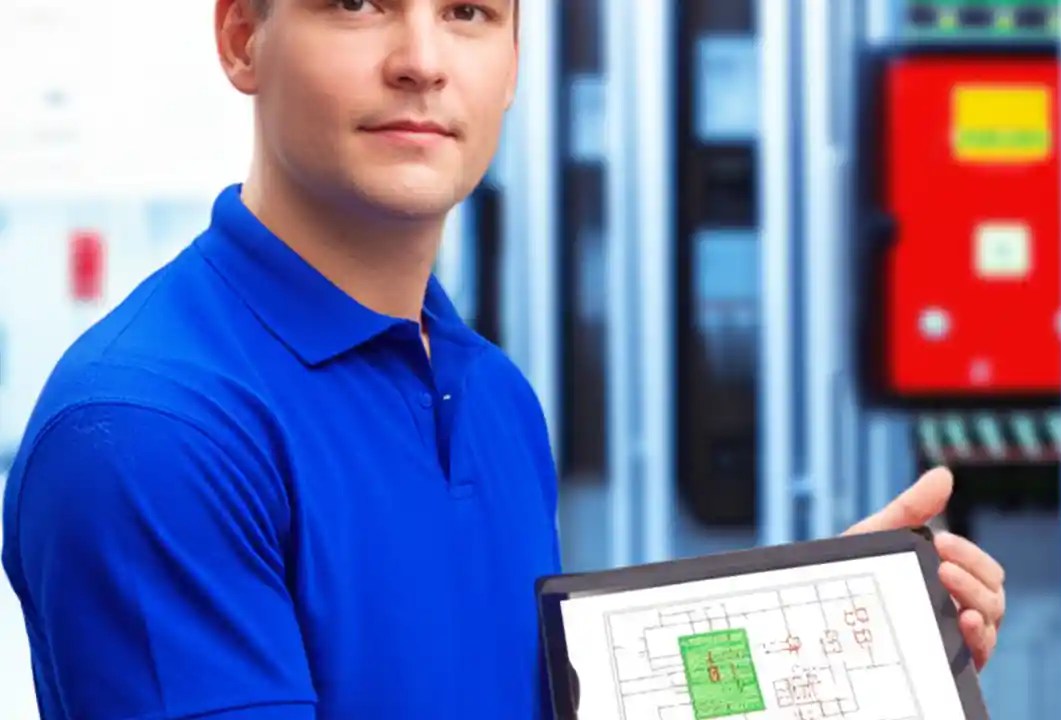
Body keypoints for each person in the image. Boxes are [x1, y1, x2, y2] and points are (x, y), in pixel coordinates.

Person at [1, 1, 1007, 718]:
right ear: (240, 38)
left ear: (516, 59)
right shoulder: (150, 432)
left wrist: (827, 643)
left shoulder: (488, 393)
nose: (421, 61)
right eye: (358, 4)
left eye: (470, 13)